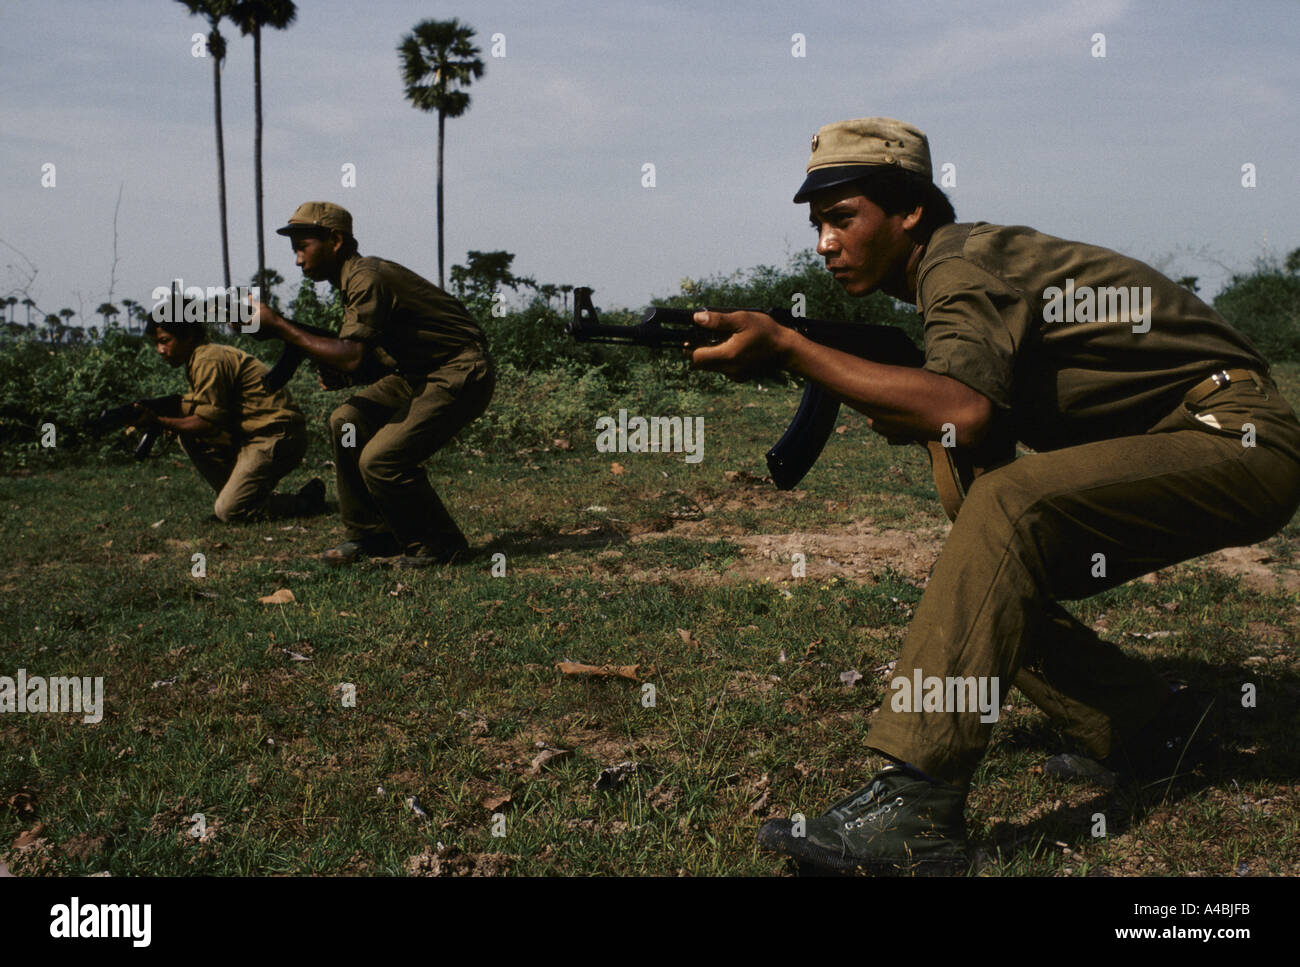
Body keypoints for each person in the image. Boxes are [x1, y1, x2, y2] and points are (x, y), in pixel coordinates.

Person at [689, 117, 1300, 875]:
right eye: (817, 225)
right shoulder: (950, 273)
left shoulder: (958, 263)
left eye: (843, 218)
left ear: (909, 210)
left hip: (1235, 432)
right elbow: (967, 432)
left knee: (1007, 511)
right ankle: (1153, 730)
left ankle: (916, 805)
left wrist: (790, 346)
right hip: (1197, 431)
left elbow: (964, 411)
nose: (823, 243)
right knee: (993, 550)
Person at [249, 202, 494, 567]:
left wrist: (280, 326)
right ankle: (373, 534)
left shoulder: (366, 277)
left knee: (381, 459)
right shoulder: (351, 282)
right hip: (419, 372)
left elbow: (349, 355)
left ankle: (442, 544)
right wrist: (349, 371)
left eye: (303, 248)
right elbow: (368, 358)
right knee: (346, 421)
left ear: (334, 240)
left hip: (459, 370)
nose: (298, 260)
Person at [144, 314, 324, 522]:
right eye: (156, 343)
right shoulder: (200, 359)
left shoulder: (207, 359)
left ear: (189, 335)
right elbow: (202, 409)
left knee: (229, 512)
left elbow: (206, 422)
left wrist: (159, 422)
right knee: (188, 437)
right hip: (257, 435)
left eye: (165, 341)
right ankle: (241, 496)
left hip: (276, 436)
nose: (160, 351)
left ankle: (303, 502)